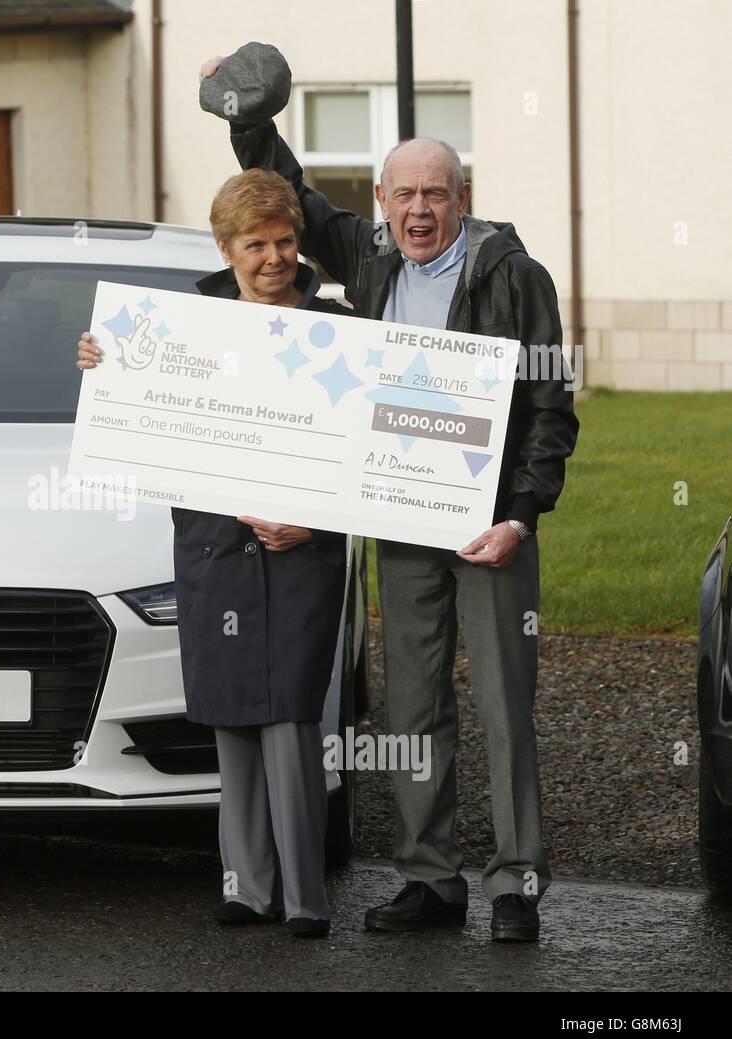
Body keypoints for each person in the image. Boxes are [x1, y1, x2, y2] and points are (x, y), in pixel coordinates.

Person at [201, 51, 579, 943]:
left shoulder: (514, 276)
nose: (418, 210)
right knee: (411, 710)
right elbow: (285, 186)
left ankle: (516, 883)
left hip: (491, 529)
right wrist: (243, 109)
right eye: (403, 195)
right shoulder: (369, 264)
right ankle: (430, 878)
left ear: (463, 197)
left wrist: (522, 514)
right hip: (402, 524)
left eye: (435, 195)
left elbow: (552, 409)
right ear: (381, 202)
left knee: (502, 703)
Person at [76, 168, 352, 938]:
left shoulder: (337, 329)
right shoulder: (180, 333)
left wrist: (315, 523)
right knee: (231, 719)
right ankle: (246, 888)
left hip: (301, 554)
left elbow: (358, 460)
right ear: (226, 249)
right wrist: (105, 371)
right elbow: (137, 428)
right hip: (214, 551)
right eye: (256, 244)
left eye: (286, 241)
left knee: (292, 717)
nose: (274, 258)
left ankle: (305, 898)